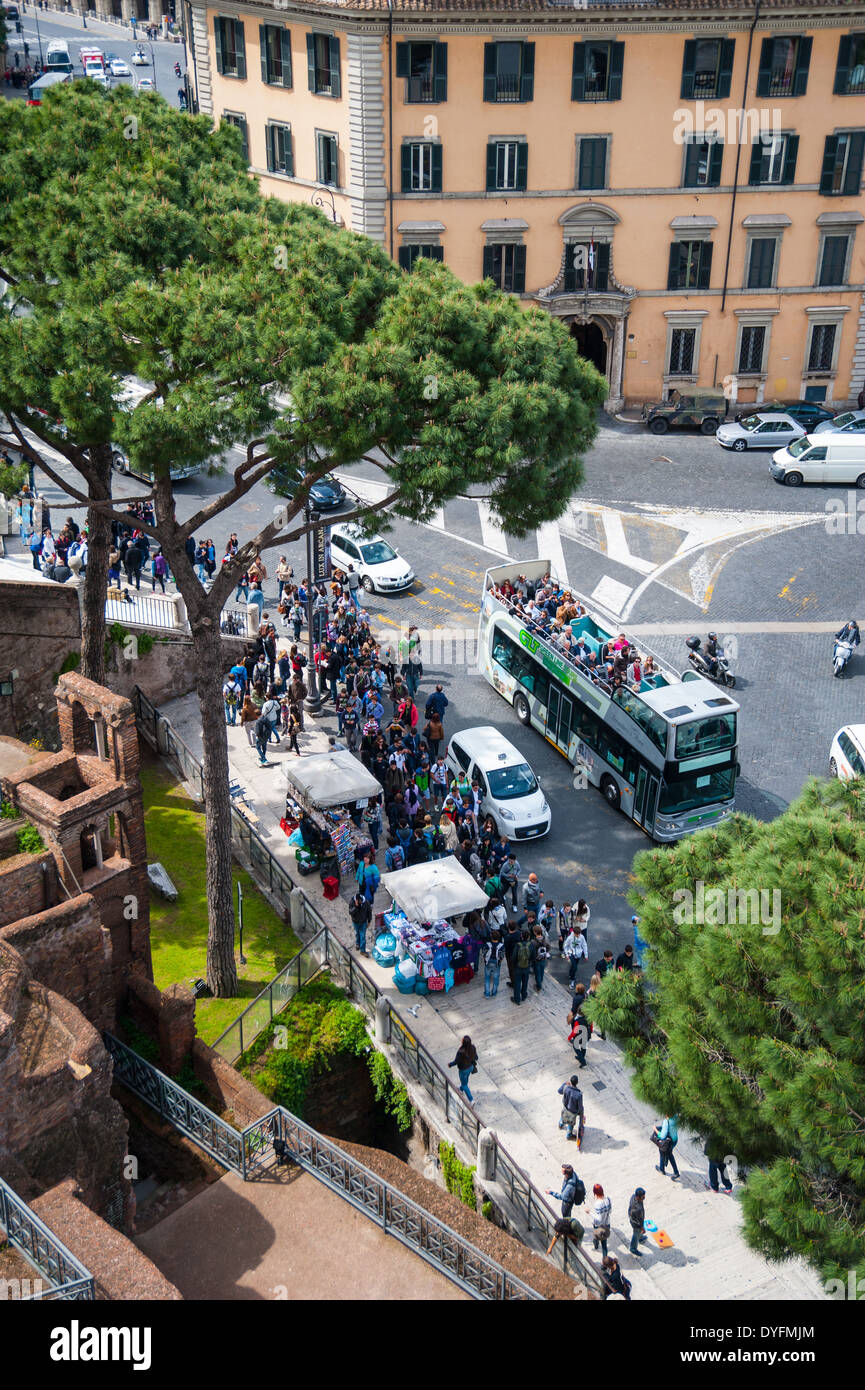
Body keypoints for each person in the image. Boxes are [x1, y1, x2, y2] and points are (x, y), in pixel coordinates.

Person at [448, 1035, 478, 1103]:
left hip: (463, 1070)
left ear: (463, 1042)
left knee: (464, 1085)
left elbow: (456, 1061)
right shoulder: (473, 1047)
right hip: (471, 1067)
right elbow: (476, 1057)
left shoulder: (461, 1051)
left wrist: (450, 1064)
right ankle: (461, 1090)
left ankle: (471, 1100)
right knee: (465, 1080)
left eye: (462, 1039)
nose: (461, 1040)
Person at [557, 1074, 584, 1143]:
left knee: (563, 1116)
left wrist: (564, 1084)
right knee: (570, 1123)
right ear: (577, 1083)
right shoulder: (579, 1094)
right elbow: (580, 1107)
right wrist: (581, 1116)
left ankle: (560, 1125)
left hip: (565, 1108)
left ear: (570, 1081)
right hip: (573, 1112)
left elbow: (559, 1091)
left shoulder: (566, 1087)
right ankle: (569, 1135)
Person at [588, 1183, 612, 1257]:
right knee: (604, 1244)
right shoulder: (608, 1199)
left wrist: (589, 1213)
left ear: (595, 1192)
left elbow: (598, 1219)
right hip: (607, 1224)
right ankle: (605, 1262)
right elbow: (610, 1211)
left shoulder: (597, 1204)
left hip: (599, 1226)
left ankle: (596, 1245)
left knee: (596, 1237)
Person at [654, 1113, 680, 1179]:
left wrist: (655, 1130)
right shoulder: (675, 1116)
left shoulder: (666, 1121)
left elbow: (662, 1136)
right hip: (674, 1139)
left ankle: (675, 1172)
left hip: (668, 1142)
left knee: (664, 1153)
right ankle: (662, 1168)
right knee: (667, 1153)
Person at [511, 928, 532, 1005]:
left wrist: (514, 965)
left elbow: (513, 957)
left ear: (522, 936)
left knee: (517, 983)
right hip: (526, 967)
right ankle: (523, 995)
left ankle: (517, 999)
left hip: (518, 967)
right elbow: (533, 957)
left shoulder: (518, 945)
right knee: (525, 982)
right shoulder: (531, 945)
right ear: (528, 937)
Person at [349, 891, 372, 955]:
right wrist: (356, 907)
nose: (360, 902)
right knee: (357, 933)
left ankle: (362, 950)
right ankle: (357, 943)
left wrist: (369, 921)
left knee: (363, 936)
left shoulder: (366, 902)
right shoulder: (352, 902)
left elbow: (369, 912)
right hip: (355, 922)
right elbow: (351, 912)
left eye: (361, 901)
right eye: (359, 901)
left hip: (363, 922)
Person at [483, 931, 505, 997]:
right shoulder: (501, 946)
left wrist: (485, 960)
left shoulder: (487, 944)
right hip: (496, 963)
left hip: (488, 962)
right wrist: (499, 962)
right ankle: (494, 993)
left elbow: (484, 953)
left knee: (487, 978)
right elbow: (502, 956)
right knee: (496, 978)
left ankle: (487, 993)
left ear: (491, 937)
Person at [628, 1187, 648, 1255]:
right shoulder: (638, 1208)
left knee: (638, 1233)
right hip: (636, 1223)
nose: (644, 1197)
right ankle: (633, 1248)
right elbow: (640, 1220)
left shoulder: (633, 1197)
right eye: (643, 1196)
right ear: (638, 1197)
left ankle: (640, 1238)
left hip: (632, 1218)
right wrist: (642, 1227)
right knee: (636, 1234)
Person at [532, 923, 550, 991]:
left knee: (537, 972)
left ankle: (538, 985)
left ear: (535, 933)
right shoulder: (545, 939)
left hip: (537, 960)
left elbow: (532, 951)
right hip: (544, 958)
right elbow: (548, 947)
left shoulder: (533, 942)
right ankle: (541, 980)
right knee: (542, 970)